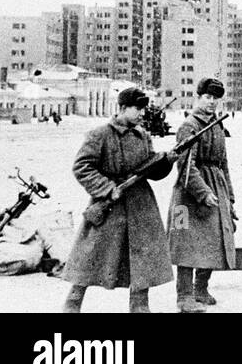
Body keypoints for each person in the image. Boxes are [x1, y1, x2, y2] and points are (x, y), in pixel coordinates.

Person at [62, 87, 178, 313]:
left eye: (142, 109)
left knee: (142, 255)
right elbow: (82, 167)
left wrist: (167, 161)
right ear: (122, 108)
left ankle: (139, 304)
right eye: (137, 109)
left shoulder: (142, 135)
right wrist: (107, 188)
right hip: (110, 203)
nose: (141, 114)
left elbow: (150, 171)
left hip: (140, 203)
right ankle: (73, 302)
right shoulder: (100, 134)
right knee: (91, 253)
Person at [167, 78, 236, 313]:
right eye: (207, 97)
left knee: (214, 239)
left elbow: (224, 164)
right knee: (186, 243)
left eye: (216, 98)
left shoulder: (216, 125)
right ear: (198, 97)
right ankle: (184, 296)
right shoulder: (190, 125)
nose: (212, 102)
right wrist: (203, 192)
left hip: (216, 185)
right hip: (189, 191)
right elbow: (185, 164)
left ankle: (201, 288)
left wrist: (230, 197)